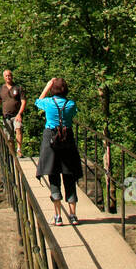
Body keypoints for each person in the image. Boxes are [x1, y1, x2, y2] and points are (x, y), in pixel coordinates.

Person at [34, 76, 83, 225]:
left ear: (53, 89)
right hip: (67, 139)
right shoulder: (71, 104)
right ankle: (73, 215)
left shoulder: (48, 103)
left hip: (51, 139)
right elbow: (73, 113)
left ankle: (58, 216)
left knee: (53, 174)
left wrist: (47, 86)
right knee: (69, 176)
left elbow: (37, 101)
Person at [0, 68, 26, 158]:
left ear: (12, 76)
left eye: (9, 75)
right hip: (6, 116)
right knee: (9, 136)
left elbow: (23, 101)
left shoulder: (18, 88)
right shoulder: (1, 89)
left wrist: (20, 113)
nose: (8, 77)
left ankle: (19, 150)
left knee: (18, 129)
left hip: (16, 115)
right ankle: (12, 152)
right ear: (4, 77)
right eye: (6, 76)